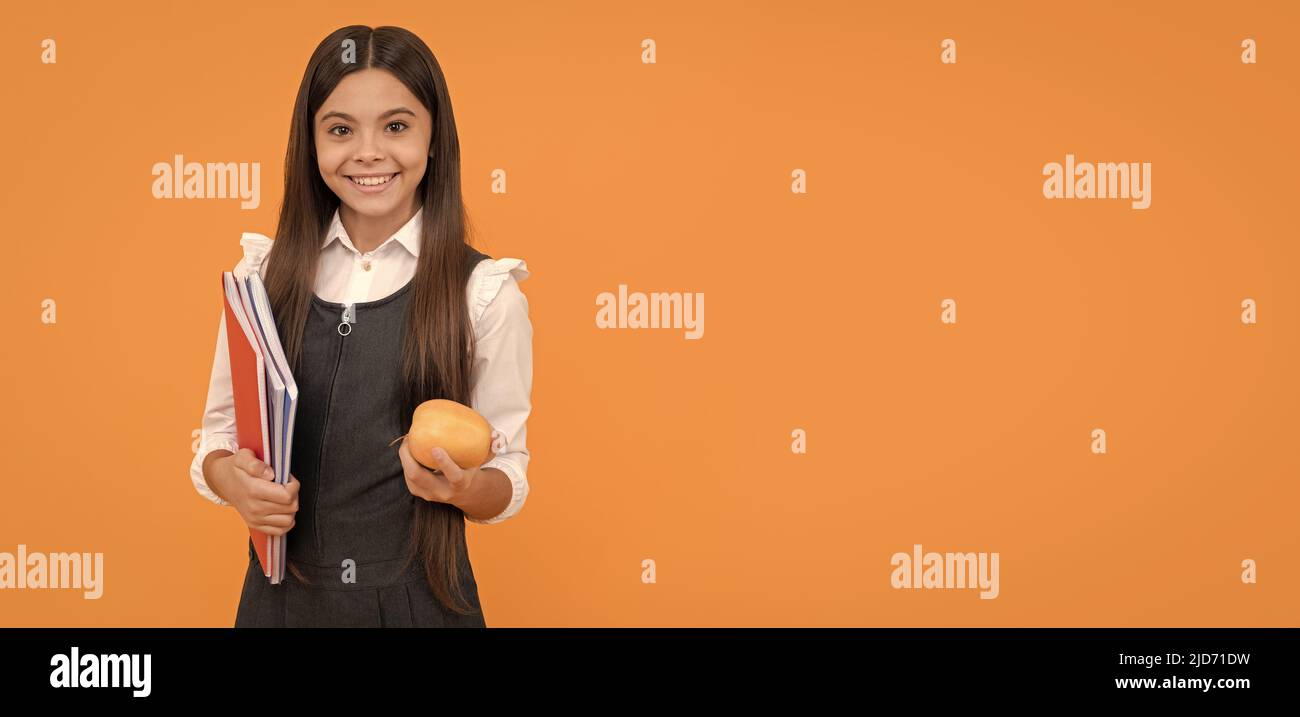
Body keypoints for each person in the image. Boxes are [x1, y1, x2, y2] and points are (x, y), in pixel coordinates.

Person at [187, 24, 533, 627]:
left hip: (422, 606)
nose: (368, 152)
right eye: (341, 129)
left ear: (434, 139)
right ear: (311, 142)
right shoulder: (262, 278)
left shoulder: (484, 294)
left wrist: (461, 490)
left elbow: (507, 474)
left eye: (396, 127)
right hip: (281, 604)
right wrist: (234, 483)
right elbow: (218, 436)